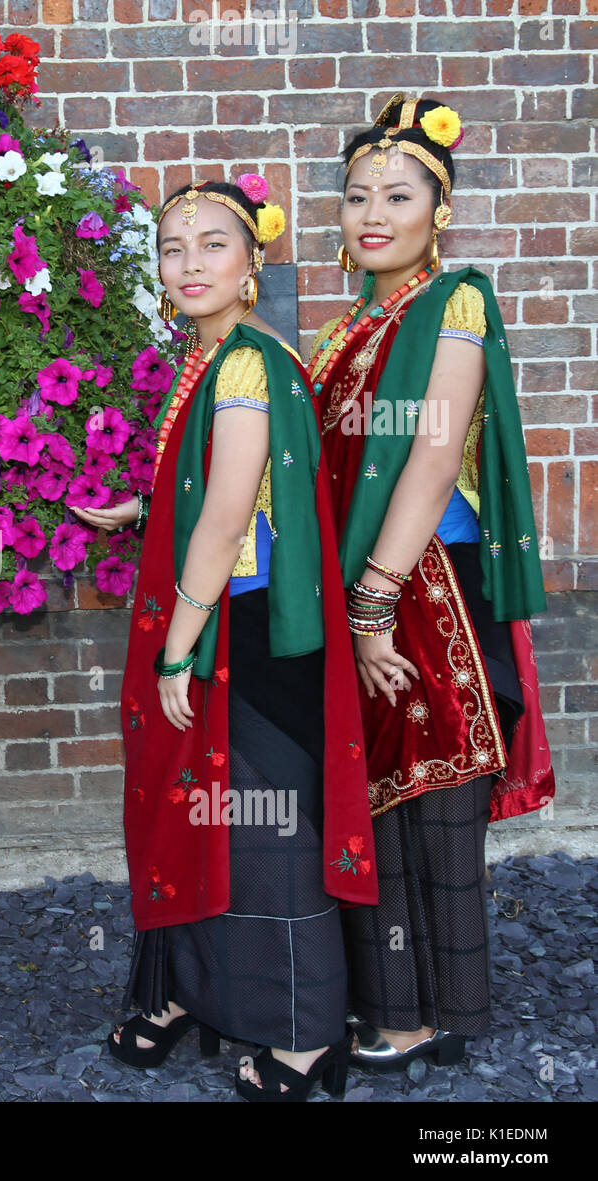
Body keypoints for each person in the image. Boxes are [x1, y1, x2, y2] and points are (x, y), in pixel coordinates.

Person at [78, 175, 378, 1101]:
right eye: (173, 248)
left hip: (246, 637)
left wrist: (180, 643)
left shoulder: (246, 362)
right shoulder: (213, 359)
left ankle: (302, 1035)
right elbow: (212, 495)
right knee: (194, 812)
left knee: (261, 828)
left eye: (214, 243)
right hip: (227, 619)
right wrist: (141, 507)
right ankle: (192, 996)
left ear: (255, 262)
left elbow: (224, 515)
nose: (189, 263)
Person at [310, 95, 554, 1072]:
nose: (373, 212)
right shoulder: (343, 336)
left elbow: (430, 449)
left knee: (429, 796)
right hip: (362, 590)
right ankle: (395, 1005)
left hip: (422, 586)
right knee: (375, 796)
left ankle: (438, 1012)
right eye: (357, 194)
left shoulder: (452, 304)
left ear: (436, 212)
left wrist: (371, 599)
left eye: (398, 194)